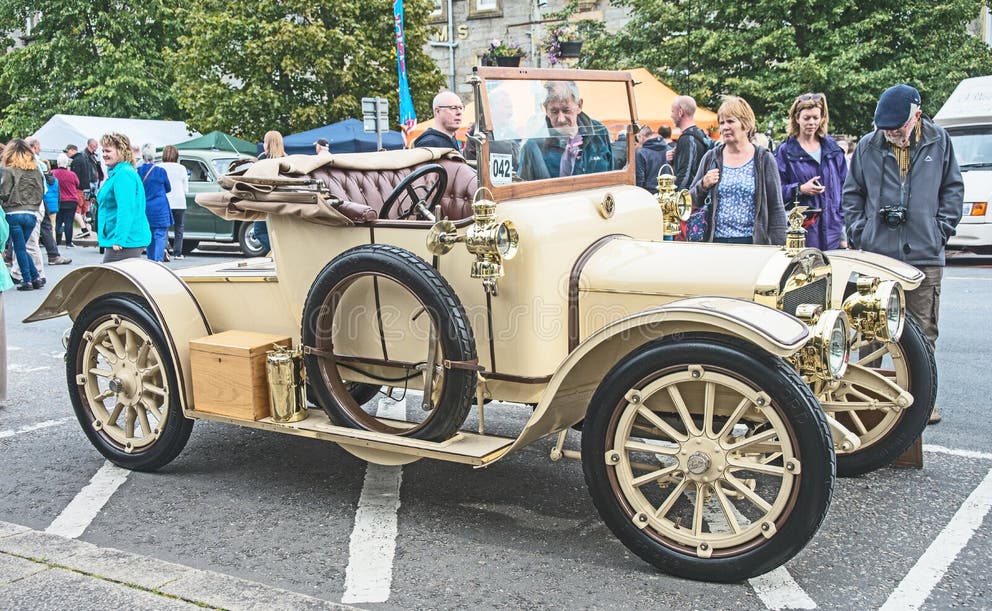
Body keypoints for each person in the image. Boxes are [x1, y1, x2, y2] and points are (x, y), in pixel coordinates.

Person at [842, 84, 963, 424]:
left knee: (922, 332)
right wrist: (861, 232)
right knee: (869, 330)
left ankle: (922, 402)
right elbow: (852, 195)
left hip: (924, 253)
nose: (891, 134)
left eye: (897, 128)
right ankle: (864, 402)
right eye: (885, 129)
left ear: (917, 116)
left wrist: (939, 230)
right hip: (877, 255)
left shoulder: (939, 141)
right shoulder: (868, 145)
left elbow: (953, 190)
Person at [689, 96, 787, 245]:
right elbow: (690, 200)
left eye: (730, 121)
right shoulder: (711, 157)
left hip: (753, 244)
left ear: (746, 125)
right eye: (722, 123)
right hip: (715, 243)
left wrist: (779, 246)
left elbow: (776, 208)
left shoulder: (764, 159)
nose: (725, 127)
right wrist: (703, 185)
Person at [774, 93, 849, 250]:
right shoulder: (785, 152)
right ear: (797, 118)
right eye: (806, 118)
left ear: (822, 118)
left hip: (833, 232)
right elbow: (775, 191)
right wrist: (800, 189)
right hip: (802, 233)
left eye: (816, 117)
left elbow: (847, 190)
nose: (811, 122)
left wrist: (844, 230)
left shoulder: (833, 150)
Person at [518, 80, 613, 181]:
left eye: (566, 110)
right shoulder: (533, 146)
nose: (561, 119)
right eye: (554, 111)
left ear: (579, 105)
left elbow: (612, 176)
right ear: (546, 110)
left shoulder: (599, 132)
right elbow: (523, 186)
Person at [96, 133, 151, 263]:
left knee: (107, 275)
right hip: (122, 238)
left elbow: (126, 208)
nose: (104, 154)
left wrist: (119, 239)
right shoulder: (118, 173)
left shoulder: (123, 174)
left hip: (126, 241)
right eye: (103, 151)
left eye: (108, 151)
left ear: (120, 151)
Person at [1, 139, 46, 290]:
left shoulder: (8, 170)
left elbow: (4, 192)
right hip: (32, 213)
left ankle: (27, 280)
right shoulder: (36, 171)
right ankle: (36, 277)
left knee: (19, 248)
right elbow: (42, 191)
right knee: (22, 247)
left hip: (13, 213)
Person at [137, 144, 173, 262]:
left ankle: (151, 261)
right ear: (154, 156)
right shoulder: (161, 171)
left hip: (145, 207)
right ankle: (158, 261)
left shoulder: (139, 171)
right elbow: (168, 188)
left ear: (143, 157)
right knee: (160, 235)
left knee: (149, 235)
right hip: (160, 207)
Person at [253, 130, 285, 254]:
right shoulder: (286, 158)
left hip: (265, 200)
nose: (263, 144)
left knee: (259, 231)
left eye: (265, 142)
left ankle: (278, 253)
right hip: (282, 201)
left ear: (270, 143)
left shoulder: (263, 158)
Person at [669, 95, 711, 190]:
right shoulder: (701, 134)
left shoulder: (687, 138)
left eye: (672, 111)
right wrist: (673, 160)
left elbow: (685, 174)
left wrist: (677, 195)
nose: (671, 115)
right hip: (698, 192)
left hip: (690, 195)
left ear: (680, 112)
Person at [159, 145, 189, 259]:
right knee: (179, 228)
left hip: (165, 201)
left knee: (164, 227)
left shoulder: (159, 167)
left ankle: (164, 250)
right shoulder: (182, 168)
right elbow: (186, 189)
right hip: (180, 201)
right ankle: (178, 253)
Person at [51, 153, 80, 247]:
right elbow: (77, 184)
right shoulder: (72, 174)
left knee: (57, 221)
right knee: (69, 222)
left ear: (58, 162)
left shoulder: (53, 173)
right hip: (71, 200)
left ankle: (56, 241)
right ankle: (68, 242)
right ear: (67, 163)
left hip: (58, 200)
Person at [636, 126, 670, 194]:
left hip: (649, 194)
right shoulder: (669, 149)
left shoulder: (640, 153)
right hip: (668, 191)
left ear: (641, 137)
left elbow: (639, 178)